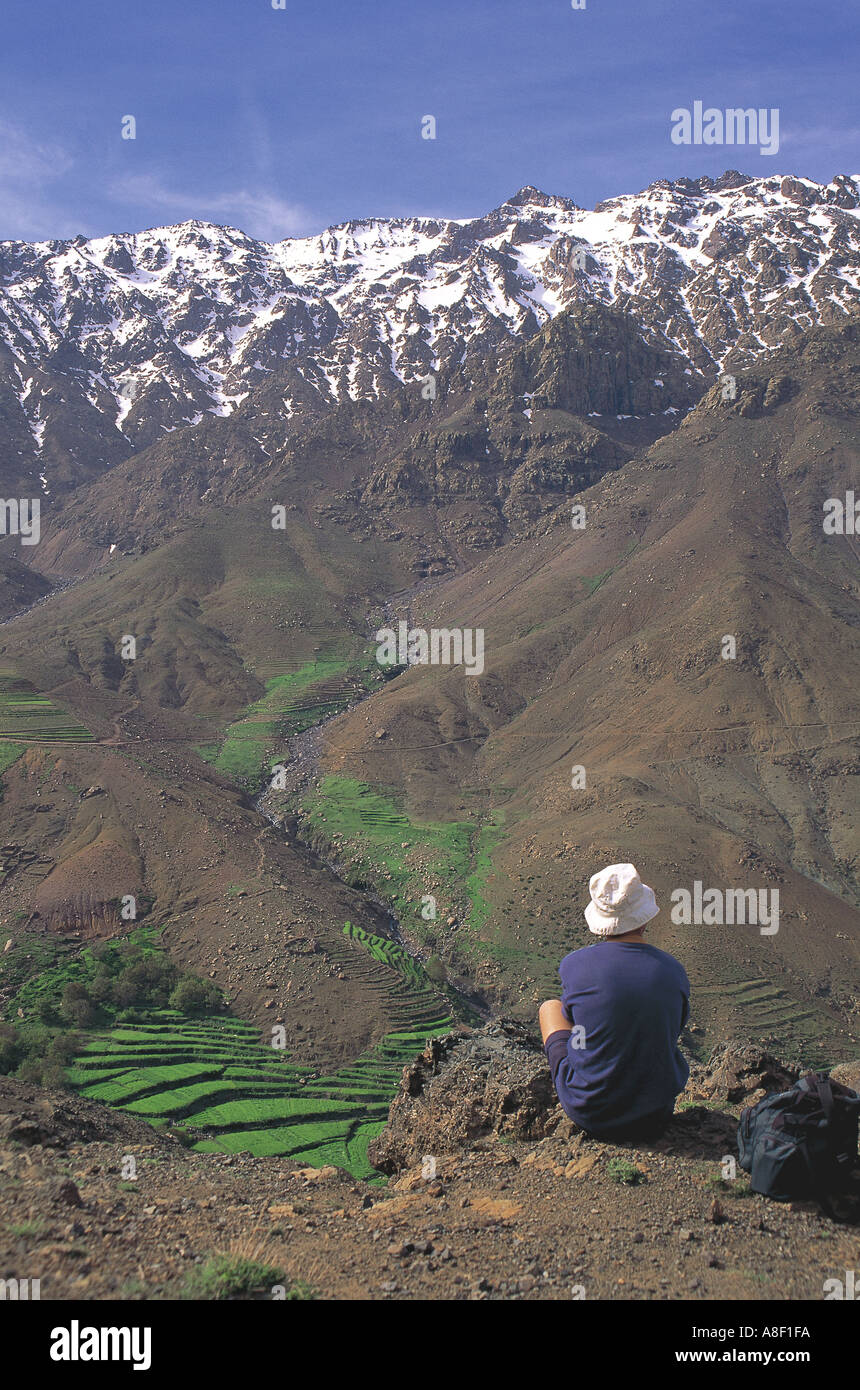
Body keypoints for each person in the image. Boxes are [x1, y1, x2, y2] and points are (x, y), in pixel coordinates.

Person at [538, 863, 690, 1141]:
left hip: (590, 1111)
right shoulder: (673, 970)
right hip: (656, 1113)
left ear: (600, 923)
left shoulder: (574, 965)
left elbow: (574, 1017)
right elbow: (675, 1030)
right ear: (644, 918)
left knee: (551, 1008)